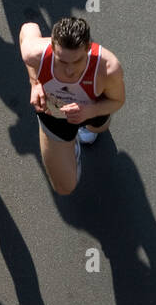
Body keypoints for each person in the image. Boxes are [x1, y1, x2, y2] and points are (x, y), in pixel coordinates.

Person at [19, 16, 125, 195]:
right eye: (62, 61)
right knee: (64, 187)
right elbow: (28, 27)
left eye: (77, 62)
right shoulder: (34, 52)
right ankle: (70, 144)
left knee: (98, 129)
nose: (69, 70)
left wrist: (90, 110)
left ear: (88, 49)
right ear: (52, 48)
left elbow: (117, 101)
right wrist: (35, 82)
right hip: (54, 115)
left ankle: (84, 129)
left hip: (93, 108)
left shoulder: (108, 68)